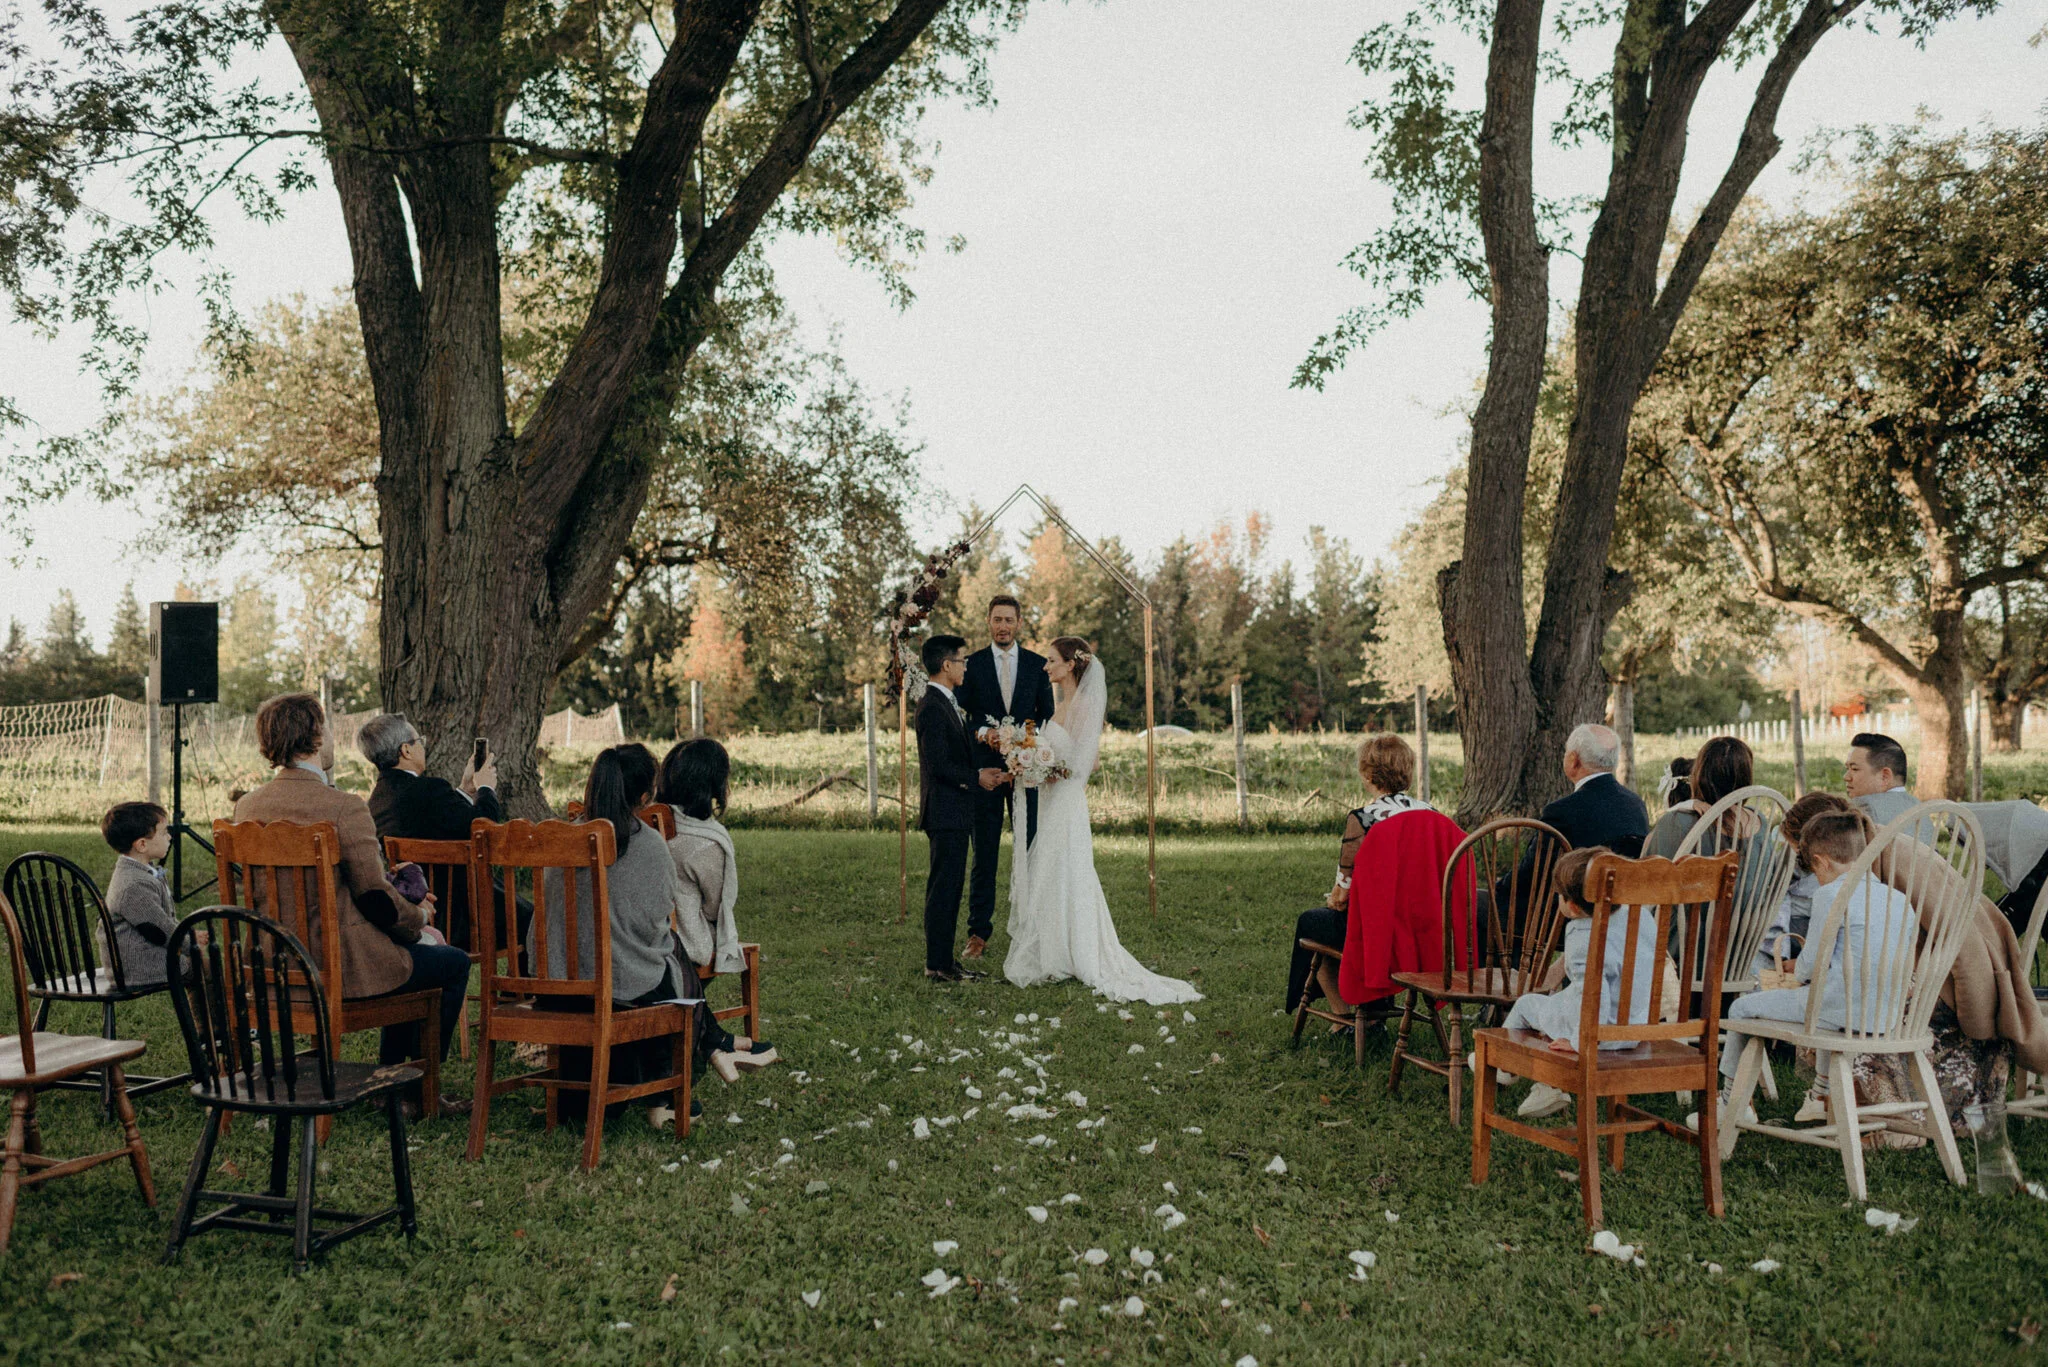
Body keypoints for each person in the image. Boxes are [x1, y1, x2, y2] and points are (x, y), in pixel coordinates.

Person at [233, 692, 472, 1115]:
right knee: (449, 962)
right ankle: (414, 1092)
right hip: (338, 969)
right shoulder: (343, 808)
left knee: (408, 954)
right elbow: (375, 898)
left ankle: (390, 1080)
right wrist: (418, 916)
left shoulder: (246, 809)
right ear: (316, 737)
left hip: (272, 966)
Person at [1004, 637, 1201, 1004]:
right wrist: (1031, 763)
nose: (1045, 667)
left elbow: (1087, 762)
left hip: (1065, 800)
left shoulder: (1086, 703)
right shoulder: (1060, 703)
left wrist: (1044, 769)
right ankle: (1055, 951)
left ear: (1070, 665)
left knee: (1065, 869)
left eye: (1051, 661)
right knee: (1052, 870)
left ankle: (1079, 952)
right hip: (1051, 799)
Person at [1695, 810, 1915, 1132]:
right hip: (1885, 1014)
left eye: (1815, 871)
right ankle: (1820, 1096)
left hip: (1840, 1009)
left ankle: (1730, 1101)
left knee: (1742, 1008)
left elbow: (1809, 966)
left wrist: (1791, 975)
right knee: (1827, 1004)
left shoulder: (1830, 894)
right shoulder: (1898, 899)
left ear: (1821, 862)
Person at [543, 745, 703, 1127]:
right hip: (612, 983)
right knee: (670, 960)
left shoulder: (561, 836)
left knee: (654, 960)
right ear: (645, 796)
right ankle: (665, 1094)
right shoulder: (646, 842)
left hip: (555, 979)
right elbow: (659, 917)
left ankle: (641, 1090)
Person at [1500, 846, 1663, 1119]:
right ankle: (1547, 1083)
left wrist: (1579, 1041)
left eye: (1560, 897)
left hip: (1597, 1031)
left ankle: (1507, 1068)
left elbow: (1593, 994)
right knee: (1559, 1009)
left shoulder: (1581, 934)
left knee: (1528, 1006)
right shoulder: (1639, 916)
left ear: (1573, 906)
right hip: (1635, 1026)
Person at [1283, 736, 1433, 1022]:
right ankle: (1374, 1015)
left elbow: (1342, 896)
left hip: (1380, 933)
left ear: (1367, 774)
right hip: (1422, 929)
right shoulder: (1431, 816)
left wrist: (1334, 899)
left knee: (1313, 923)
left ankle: (1344, 1019)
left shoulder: (1364, 819)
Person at [656, 736, 776, 1079]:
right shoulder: (706, 842)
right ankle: (715, 1043)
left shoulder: (647, 824)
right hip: (682, 946)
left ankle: (717, 1042)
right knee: (706, 937)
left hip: (645, 936)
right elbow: (715, 907)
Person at [957, 595, 1056, 961]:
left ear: (1018, 623)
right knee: (984, 853)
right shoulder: (972, 665)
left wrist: (1029, 752)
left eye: (1008, 620)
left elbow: (1047, 715)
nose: (1002, 626)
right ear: (988, 622)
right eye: (996, 619)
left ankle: (1034, 928)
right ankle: (978, 933)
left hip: (1025, 774)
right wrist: (985, 735)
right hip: (987, 774)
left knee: (1030, 850)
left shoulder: (1035, 665)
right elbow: (964, 718)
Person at [361, 712, 503, 952]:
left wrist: (465, 790)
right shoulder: (431, 790)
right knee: (535, 919)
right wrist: (486, 787)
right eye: (420, 742)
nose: (422, 748)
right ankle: (520, 990)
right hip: (469, 914)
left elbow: (445, 820)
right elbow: (483, 828)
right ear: (406, 750)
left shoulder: (376, 801)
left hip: (417, 912)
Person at [916, 635, 1007, 983]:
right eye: (962, 660)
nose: (966, 666)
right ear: (947, 665)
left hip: (955, 811)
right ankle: (935, 966)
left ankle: (945, 963)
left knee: (952, 889)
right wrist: (976, 777)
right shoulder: (931, 706)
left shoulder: (947, 702)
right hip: (944, 811)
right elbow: (938, 765)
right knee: (943, 890)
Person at [100, 800, 175, 988]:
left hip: (138, 959)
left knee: (202, 965)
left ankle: (206, 1018)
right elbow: (160, 932)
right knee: (206, 968)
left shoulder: (139, 872)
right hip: (136, 966)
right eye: (164, 832)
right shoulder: (134, 885)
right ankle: (214, 1018)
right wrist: (191, 943)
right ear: (142, 844)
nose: (170, 837)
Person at [1844, 731, 1914, 827]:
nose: (1846, 777)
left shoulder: (1865, 807)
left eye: (1855, 769)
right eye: (1847, 769)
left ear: (1884, 777)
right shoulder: (1921, 807)